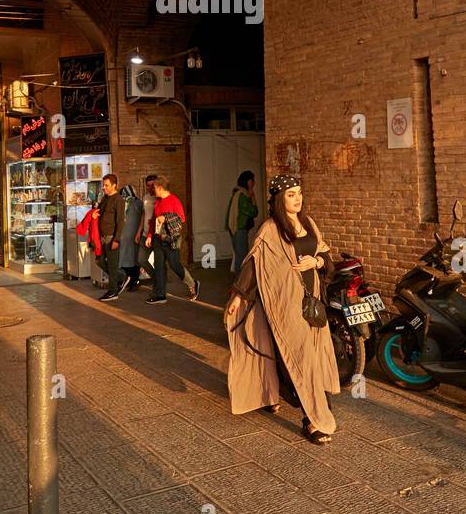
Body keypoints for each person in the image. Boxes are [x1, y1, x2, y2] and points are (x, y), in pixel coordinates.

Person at [223, 174, 340, 445]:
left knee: (312, 355)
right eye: (291, 194)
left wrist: (317, 263)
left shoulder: (308, 224)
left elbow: (325, 257)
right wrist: (239, 297)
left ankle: (277, 392)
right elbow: (254, 265)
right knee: (301, 357)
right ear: (278, 199)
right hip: (284, 303)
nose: (297, 198)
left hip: (312, 302)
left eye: (299, 192)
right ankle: (314, 420)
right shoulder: (270, 229)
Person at [145, 175, 198, 305]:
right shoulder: (158, 201)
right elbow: (153, 221)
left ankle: (192, 283)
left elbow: (182, 219)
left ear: (161, 187)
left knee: (175, 265)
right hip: (158, 239)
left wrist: (166, 218)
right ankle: (160, 295)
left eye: (155, 187)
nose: (153, 189)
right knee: (159, 267)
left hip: (171, 239)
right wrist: (150, 236)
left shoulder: (174, 201)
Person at [97, 174, 126, 302]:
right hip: (102, 237)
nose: (104, 187)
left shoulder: (119, 200)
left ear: (114, 185)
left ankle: (113, 291)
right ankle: (121, 276)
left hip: (111, 237)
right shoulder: (104, 198)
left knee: (112, 265)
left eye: (107, 185)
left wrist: (117, 239)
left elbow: (120, 221)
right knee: (99, 261)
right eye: (103, 185)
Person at [225, 170, 258, 274]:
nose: (254, 182)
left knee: (240, 255)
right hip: (240, 229)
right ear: (247, 181)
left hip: (239, 229)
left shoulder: (240, 193)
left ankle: (240, 282)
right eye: (252, 180)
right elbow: (253, 212)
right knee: (241, 256)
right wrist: (253, 199)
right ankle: (240, 283)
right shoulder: (243, 195)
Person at [117, 183, 145, 292]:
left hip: (134, 236)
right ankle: (131, 280)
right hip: (126, 236)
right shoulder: (125, 203)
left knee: (133, 260)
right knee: (127, 259)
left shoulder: (138, 203)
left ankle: (134, 281)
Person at [137, 173, 158, 285]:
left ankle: (159, 281)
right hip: (145, 234)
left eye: (152, 185)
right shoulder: (145, 198)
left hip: (157, 235)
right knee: (141, 259)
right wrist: (139, 232)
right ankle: (156, 278)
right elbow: (143, 215)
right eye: (148, 186)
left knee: (160, 262)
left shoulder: (159, 198)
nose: (150, 188)